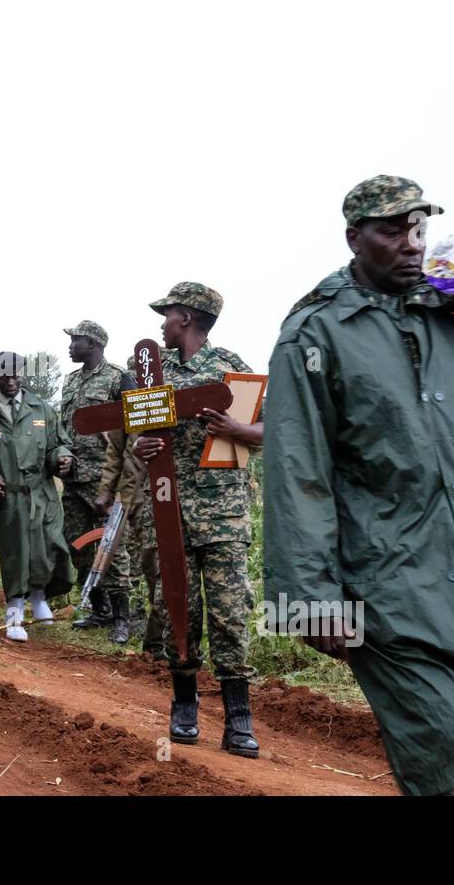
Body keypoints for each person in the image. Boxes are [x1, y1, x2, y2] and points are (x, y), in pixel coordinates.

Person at [263, 175, 454, 795]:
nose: (412, 244)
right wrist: (309, 602)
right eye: (392, 230)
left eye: (419, 228)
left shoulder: (447, 325)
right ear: (355, 238)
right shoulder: (315, 335)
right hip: (387, 600)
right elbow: (297, 473)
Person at [133, 283, 263, 758]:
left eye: (166, 315)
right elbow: (138, 434)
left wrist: (238, 430)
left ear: (185, 317)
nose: (161, 324)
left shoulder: (233, 369)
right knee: (176, 611)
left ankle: (239, 718)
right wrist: (139, 447)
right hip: (170, 513)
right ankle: (184, 706)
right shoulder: (149, 373)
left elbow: (271, 428)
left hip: (223, 516)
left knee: (230, 614)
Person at [0, 352, 76, 642]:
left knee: (47, 545)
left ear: (23, 375)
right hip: (9, 497)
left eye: (16, 374)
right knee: (16, 551)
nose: (11, 380)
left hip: (41, 492)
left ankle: (40, 597)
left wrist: (62, 458)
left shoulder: (42, 410)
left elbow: (58, 445)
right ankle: (15, 608)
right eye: (5, 375)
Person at [60, 319, 138, 644]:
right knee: (77, 545)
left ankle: (122, 618)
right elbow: (62, 428)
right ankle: (99, 609)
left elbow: (135, 427)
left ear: (92, 343)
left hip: (105, 481)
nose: (69, 345)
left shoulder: (119, 378)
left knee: (112, 547)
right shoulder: (69, 381)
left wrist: (122, 480)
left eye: (75, 339)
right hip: (74, 480)